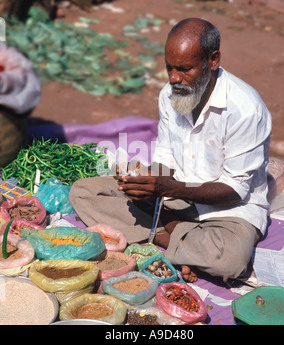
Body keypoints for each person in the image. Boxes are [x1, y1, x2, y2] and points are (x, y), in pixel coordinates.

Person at [69, 17, 272, 283]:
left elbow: (236, 190)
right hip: (175, 198)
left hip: (228, 209)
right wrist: (145, 182)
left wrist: (167, 189)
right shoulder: (170, 95)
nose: (174, 78)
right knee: (84, 191)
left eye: (185, 69)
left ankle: (163, 233)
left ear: (213, 60)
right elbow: (166, 158)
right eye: (169, 68)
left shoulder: (245, 109)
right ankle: (176, 236)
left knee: (229, 261)